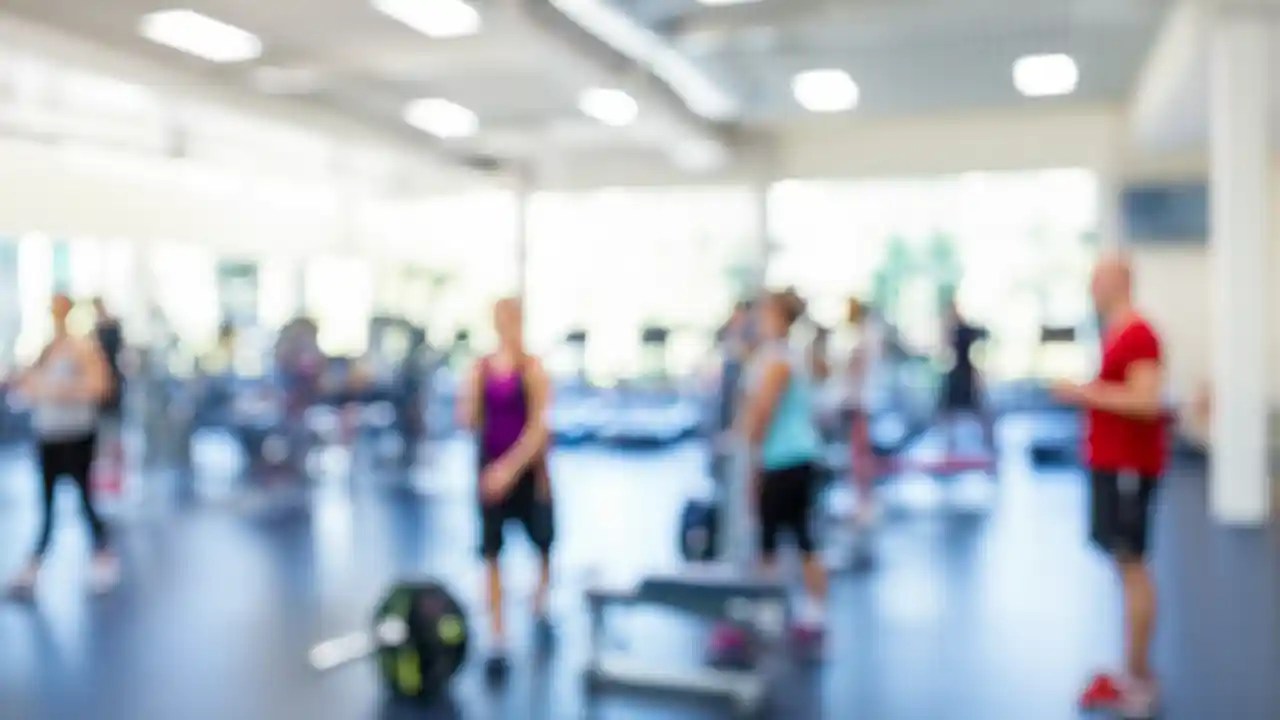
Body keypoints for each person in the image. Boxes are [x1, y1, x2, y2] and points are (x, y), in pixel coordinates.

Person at [1053, 252, 1166, 719]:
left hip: (1128, 468)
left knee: (1133, 565)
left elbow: (1146, 401)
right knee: (1125, 567)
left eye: (1098, 278)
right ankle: (1131, 670)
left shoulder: (1138, 333)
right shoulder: (1117, 331)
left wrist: (1081, 392)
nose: (1091, 286)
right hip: (1112, 465)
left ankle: (1138, 681)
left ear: (1120, 281)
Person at [458, 298, 554, 677]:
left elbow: (538, 428)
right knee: (492, 553)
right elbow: (470, 421)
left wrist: (510, 470)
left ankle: (541, 604)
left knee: (543, 543)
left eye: (513, 318)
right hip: (490, 471)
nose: (507, 325)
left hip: (526, 473)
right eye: (502, 319)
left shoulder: (533, 368)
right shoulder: (480, 369)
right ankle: (498, 634)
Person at [8, 294, 118, 598]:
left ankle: (102, 555)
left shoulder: (82, 348)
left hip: (76, 434)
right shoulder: (46, 349)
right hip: (49, 434)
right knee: (46, 502)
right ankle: (34, 565)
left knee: (84, 497)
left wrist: (59, 389)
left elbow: (102, 387)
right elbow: (29, 386)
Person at [740, 290, 828, 641]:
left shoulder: (778, 359)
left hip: (784, 459)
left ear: (779, 317)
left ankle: (771, 609)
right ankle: (807, 611)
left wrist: (751, 454)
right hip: (797, 456)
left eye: (764, 314)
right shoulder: (784, 356)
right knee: (799, 537)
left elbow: (762, 411)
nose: (758, 320)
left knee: (774, 539)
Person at [939, 300, 995, 457]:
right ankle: (950, 446)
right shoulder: (954, 330)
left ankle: (987, 444)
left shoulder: (963, 330)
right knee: (949, 413)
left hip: (964, 373)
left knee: (976, 411)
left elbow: (984, 334)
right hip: (958, 373)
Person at [92, 298, 126, 495]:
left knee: (113, 434)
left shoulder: (112, 329)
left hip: (112, 391)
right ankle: (105, 477)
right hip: (101, 393)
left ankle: (114, 478)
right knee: (103, 436)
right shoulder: (95, 331)